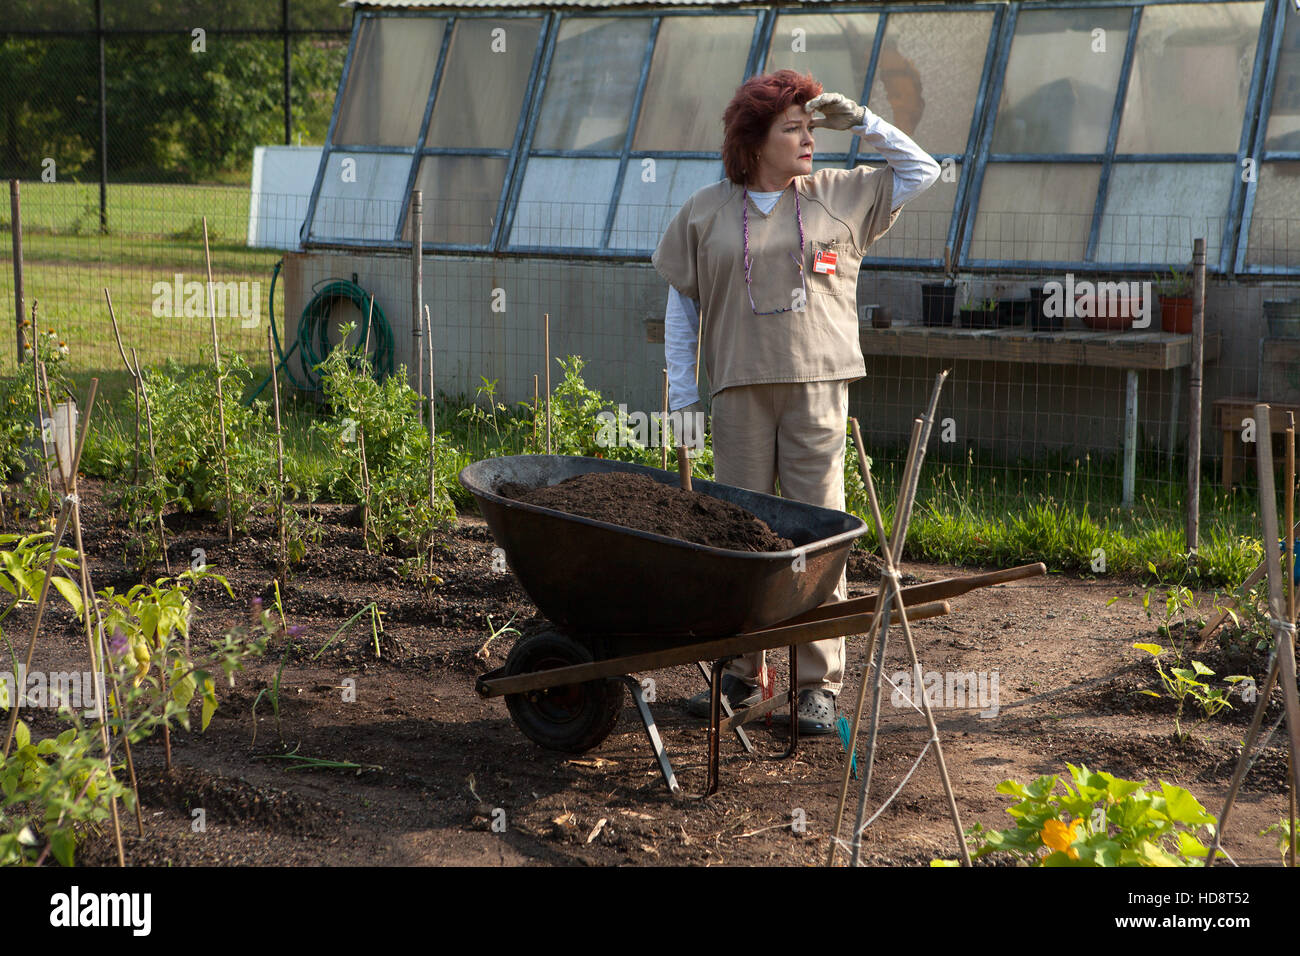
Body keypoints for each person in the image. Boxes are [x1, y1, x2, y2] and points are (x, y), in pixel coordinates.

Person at [651, 69, 940, 734]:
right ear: (754, 141)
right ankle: (742, 677)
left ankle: (817, 686)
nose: (810, 138)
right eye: (794, 127)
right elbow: (680, 308)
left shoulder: (840, 194)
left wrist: (863, 119)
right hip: (737, 391)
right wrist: (683, 396)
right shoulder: (705, 212)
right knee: (739, 537)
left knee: (820, 533)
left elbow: (921, 169)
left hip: (817, 389)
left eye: (813, 126)